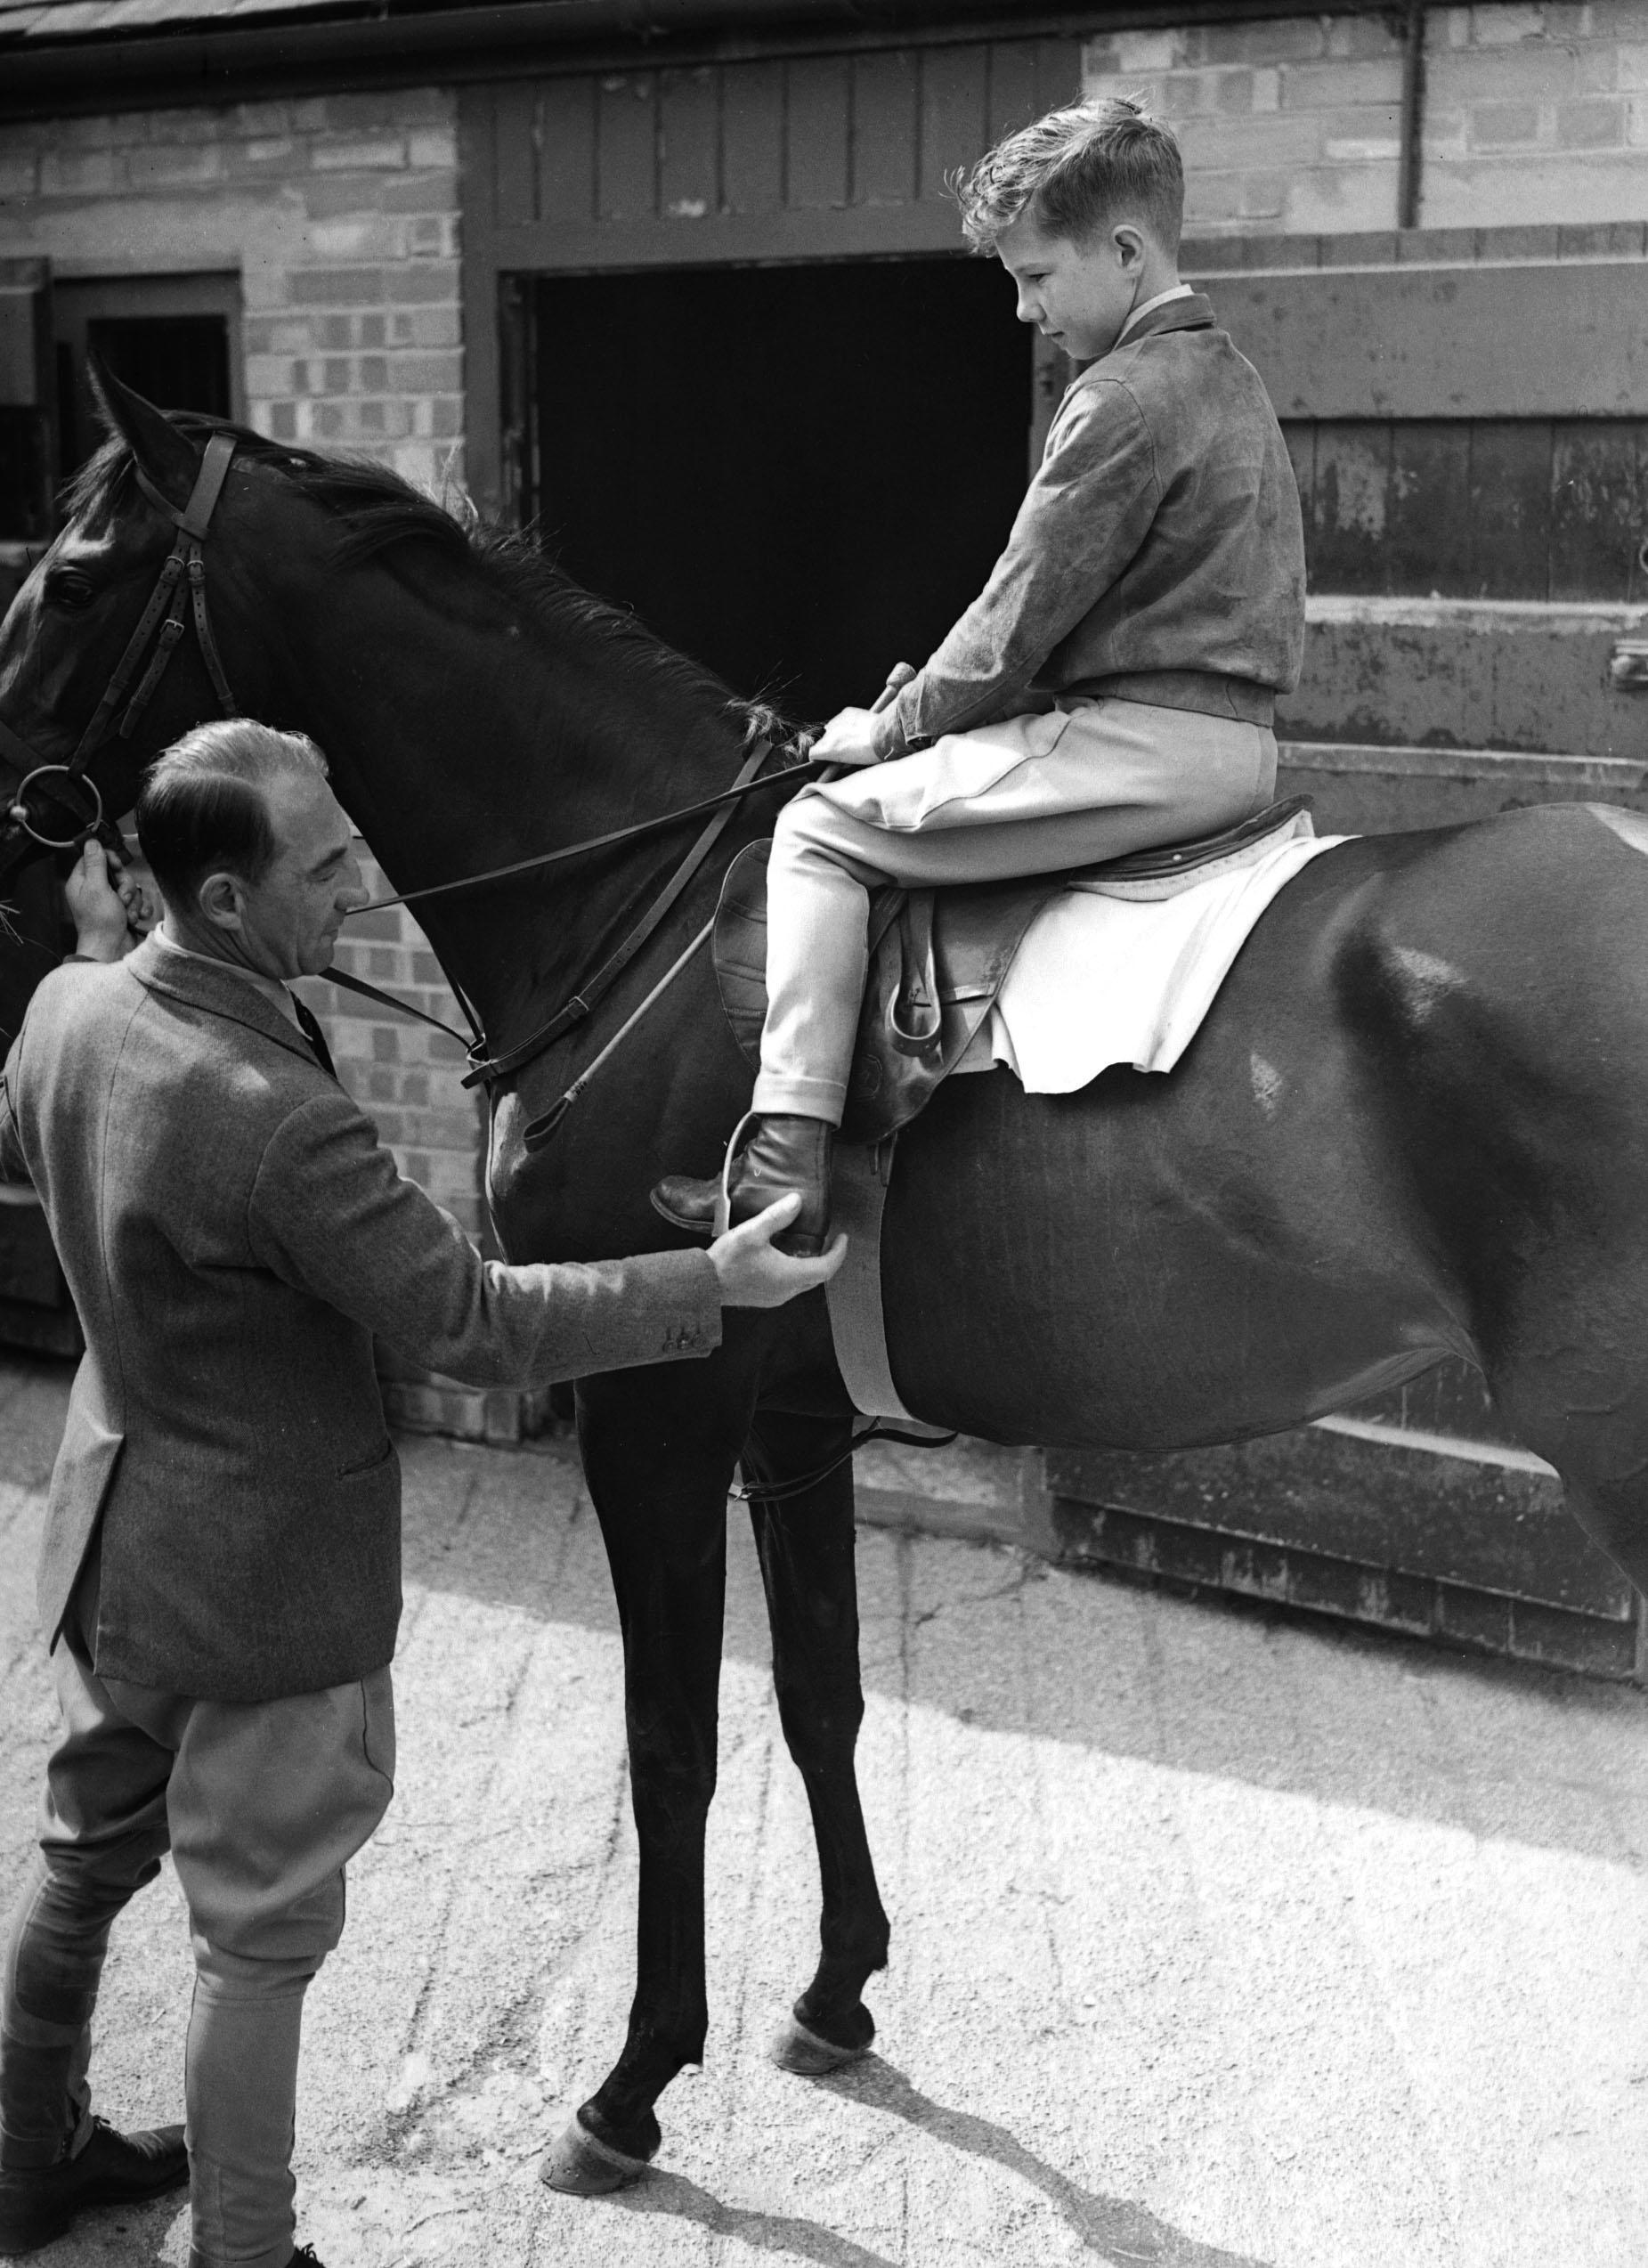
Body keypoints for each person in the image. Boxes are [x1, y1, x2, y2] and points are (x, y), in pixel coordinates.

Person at [0, 719, 842, 2268]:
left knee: (83, 1862)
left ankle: (26, 2166)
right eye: (324, 866)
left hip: (109, 1536)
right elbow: (476, 1318)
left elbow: (44, 1135)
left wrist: (98, 947)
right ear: (231, 902)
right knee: (255, 1943)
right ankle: (249, 2253)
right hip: (257, 1582)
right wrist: (699, 1283)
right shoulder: (274, 1119)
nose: (363, 887)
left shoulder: (65, 1014)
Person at [654, 93, 1306, 1254]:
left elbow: (1013, 624)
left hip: (1139, 749)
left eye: (1039, 277)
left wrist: (889, 727)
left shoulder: (1120, 397)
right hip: (1243, 749)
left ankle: (781, 1162)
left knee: (819, 834)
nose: (1023, 311)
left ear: (1125, 250)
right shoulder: (1235, 379)